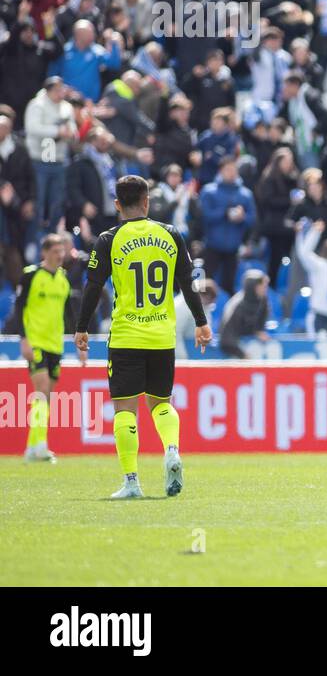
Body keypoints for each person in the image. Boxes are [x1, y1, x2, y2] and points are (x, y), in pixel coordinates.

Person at [74, 175, 211, 500]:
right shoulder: (170, 234)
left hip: (126, 337)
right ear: (147, 201)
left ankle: (132, 481)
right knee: (161, 405)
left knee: (125, 410)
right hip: (162, 336)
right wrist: (201, 322)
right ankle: (173, 449)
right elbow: (189, 281)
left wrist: (82, 327)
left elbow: (93, 285)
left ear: (118, 205)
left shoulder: (109, 239)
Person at [10, 234, 75, 462]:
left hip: (55, 344)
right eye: (56, 251)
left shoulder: (63, 280)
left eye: (62, 251)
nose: (60, 255)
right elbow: (19, 308)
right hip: (36, 341)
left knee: (47, 395)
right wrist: (24, 339)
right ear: (44, 253)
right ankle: (40, 445)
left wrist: (79, 341)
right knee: (42, 388)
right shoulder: (31, 275)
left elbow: (69, 314)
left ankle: (32, 446)